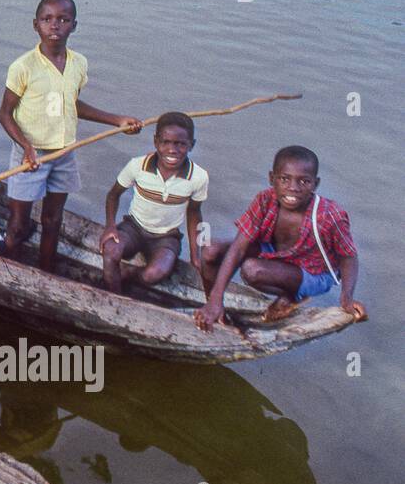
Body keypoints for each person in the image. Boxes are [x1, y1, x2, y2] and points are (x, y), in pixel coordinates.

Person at [0, 0, 141, 273]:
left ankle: (47, 271)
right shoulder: (23, 66)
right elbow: (4, 114)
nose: (55, 25)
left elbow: (71, 104)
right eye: (47, 19)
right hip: (31, 155)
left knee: (53, 221)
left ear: (74, 25)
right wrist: (26, 146)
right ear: (35, 25)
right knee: (18, 225)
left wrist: (116, 120)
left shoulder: (78, 64)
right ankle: (7, 271)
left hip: (63, 153)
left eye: (63, 19)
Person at [195, 146, 365, 331]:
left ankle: (292, 296)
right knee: (210, 251)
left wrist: (346, 298)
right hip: (276, 254)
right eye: (285, 179)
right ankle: (215, 309)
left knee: (251, 270)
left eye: (304, 181)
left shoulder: (329, 215)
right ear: (271, 178)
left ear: (315, 184)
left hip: (313, 271)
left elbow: (348, 257)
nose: (293, 188)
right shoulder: (265, 200)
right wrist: (215, 299)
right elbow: (238, 248)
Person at [100, 112, 208, 295]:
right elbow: (113, 195)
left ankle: (127, 273)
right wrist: (110, 226)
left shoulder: (199, 177)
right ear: (156, 141)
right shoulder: (138, 165)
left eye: (181, 144)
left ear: (192, 145)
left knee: (154, 274)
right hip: (133, 228)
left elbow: (195, 214)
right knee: (110, 251)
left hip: (167, 237)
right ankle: (114, 296)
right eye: (165, 142)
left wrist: (196, 254)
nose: (172, 150)